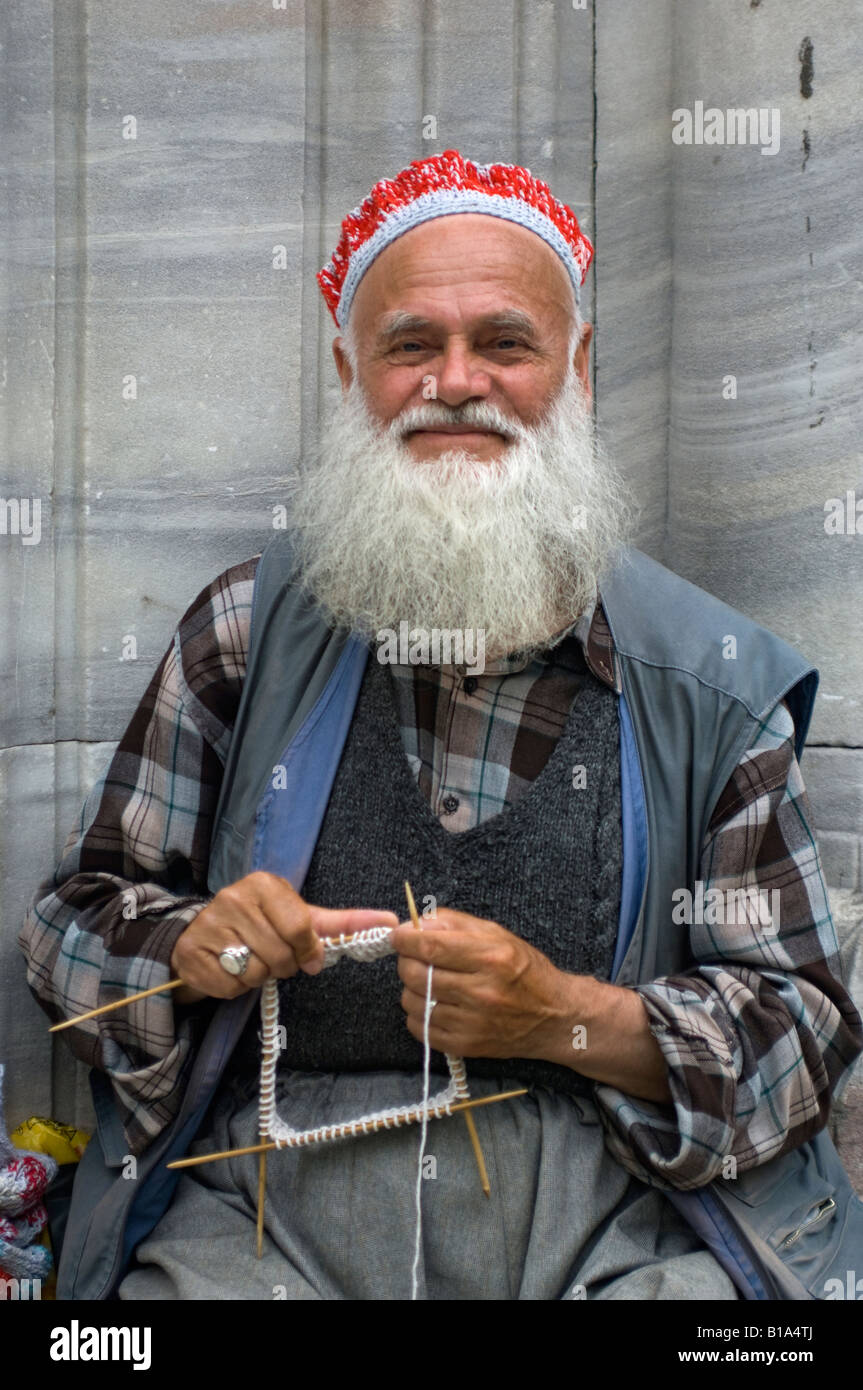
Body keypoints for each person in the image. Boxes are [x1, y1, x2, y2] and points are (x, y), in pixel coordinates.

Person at [20, 151, 863, 1301]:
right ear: (348, 371)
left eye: (504, 344)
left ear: (576, 369)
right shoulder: (246, 630)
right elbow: (67, 931)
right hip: (268, 1197)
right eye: (410, 345)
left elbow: (803, 1029)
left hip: (624, 1202)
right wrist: (189, 951)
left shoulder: (706, 679)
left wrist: (568, 1016)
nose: (454, 382)